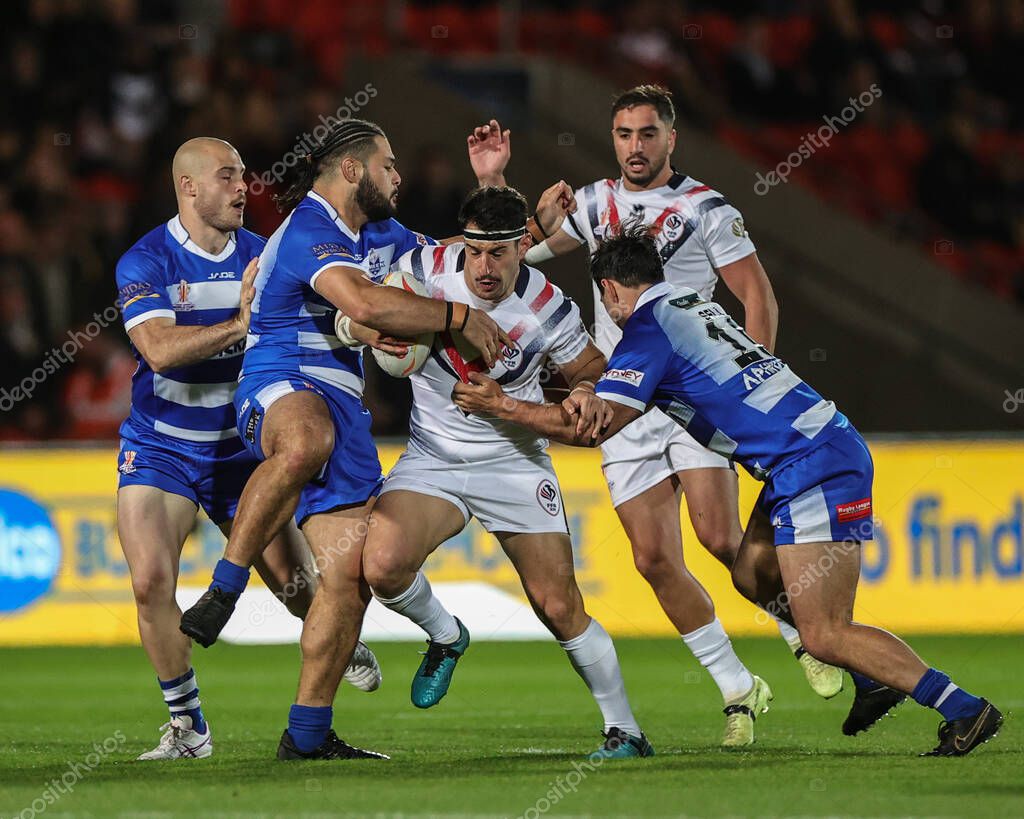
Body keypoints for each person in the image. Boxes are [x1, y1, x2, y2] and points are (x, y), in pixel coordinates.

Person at [452, 223, 1003, 758]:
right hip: (809, 452)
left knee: (825, 634)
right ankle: (871, 678)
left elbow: (590, 431)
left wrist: (503, 404)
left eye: (606, 300)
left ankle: (962, 707)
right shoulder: (694, 304)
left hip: (811, 464)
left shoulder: (648, 332)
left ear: (610, 291)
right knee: (750, 573)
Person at [179, 120, 509, 760]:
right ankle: (224, 586)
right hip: (279, 381)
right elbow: (364, 301)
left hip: (346, 408)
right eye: (388, 165)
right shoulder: (309, 227)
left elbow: (470, 260)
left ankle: (306, 736)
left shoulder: (382, 234)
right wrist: (460, 319)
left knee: (349, 578)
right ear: (352, 170)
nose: (399, 176)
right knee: (305, 440)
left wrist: (494, 187)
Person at [360, 185, 654, 758]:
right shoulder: (424, 268)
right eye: (474, 251)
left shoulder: (546, 305)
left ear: (524, 246)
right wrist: (371, 332)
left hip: (515, 461)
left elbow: (591, 365)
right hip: (433, 458)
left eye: (498, 252)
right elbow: (370, 305)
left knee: (558, 604)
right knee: (382, 566)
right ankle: (446, 636)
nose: (484, 267)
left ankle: (626, 731)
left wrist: (589, 388)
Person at [115, 137, 379, 761]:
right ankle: (187, 727)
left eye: (244, 177)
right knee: (152, 581)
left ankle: (335, 645)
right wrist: (240, 323)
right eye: (228, 177)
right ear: (188, 188)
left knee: (299, 592)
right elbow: (156, 350)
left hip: (244, 452)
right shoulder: (146, 260)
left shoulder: (268, 254)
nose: (243, 188)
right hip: (163, 447)